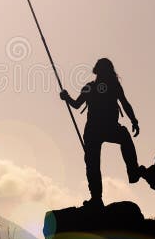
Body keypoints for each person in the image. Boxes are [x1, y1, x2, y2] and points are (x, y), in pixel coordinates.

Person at [60, 58, 143, 207]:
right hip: (104, 128)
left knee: (92, 163)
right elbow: (124, 103)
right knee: (118, 141)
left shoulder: (94, 87)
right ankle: (132, 172)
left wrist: (67, 97)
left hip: (95, 129)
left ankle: (97, 197)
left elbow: (76, 104)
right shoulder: (111, 86)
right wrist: (133, 120)